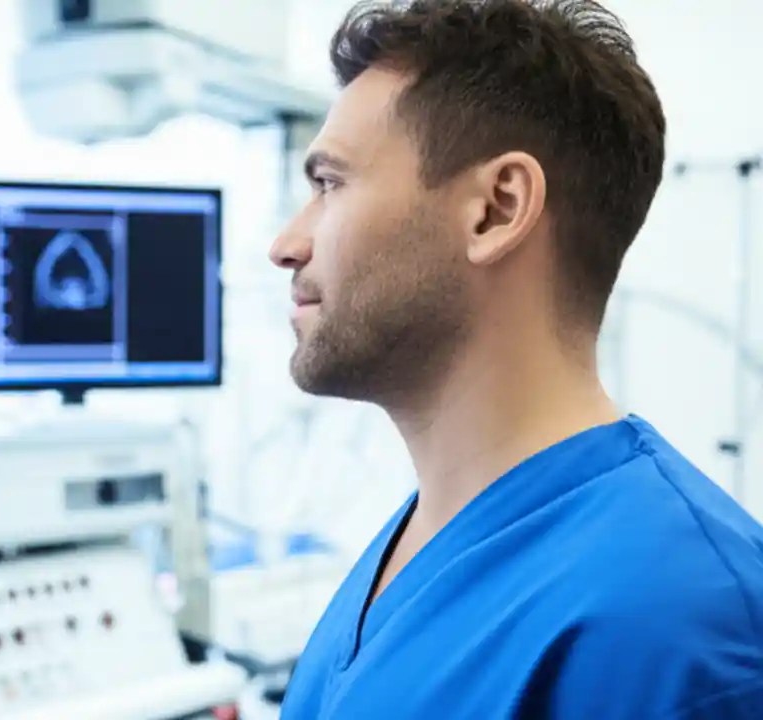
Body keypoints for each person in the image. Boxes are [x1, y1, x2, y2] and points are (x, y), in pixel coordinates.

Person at [269, 1, 763, 717]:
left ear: (496, 210)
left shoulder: (678, 625)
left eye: (329, 184)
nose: (285, 243)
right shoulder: (419, 546)